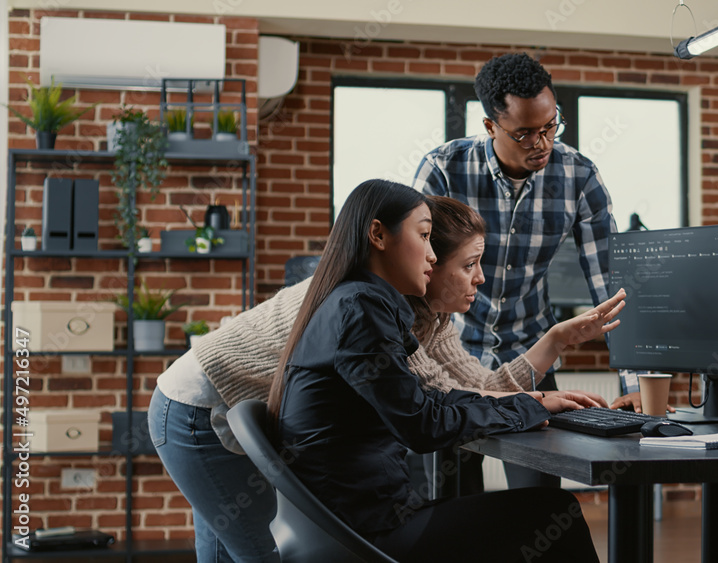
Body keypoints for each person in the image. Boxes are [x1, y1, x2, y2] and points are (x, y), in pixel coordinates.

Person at [149, 185, 623, 562]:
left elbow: (467, 391)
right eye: (467, 263)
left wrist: (549, 354)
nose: (478, 278)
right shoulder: (362, 307)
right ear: (388, 241)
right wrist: (527, 405)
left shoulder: (405, 312)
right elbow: (427, 415)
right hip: (196, 405)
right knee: (253, 555)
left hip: (332, 488)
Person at [268, 179, 601, 562]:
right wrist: (529, 408)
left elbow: (426, 400)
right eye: (424, 236)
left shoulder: (358, 300)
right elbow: (424, 425)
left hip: (353, 520)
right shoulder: (362, 309)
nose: (431, 255)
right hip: (366, 531)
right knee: (555, 512)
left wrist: (530, 401)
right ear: (378, 235)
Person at [413, 52, 617, 488]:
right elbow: (414, 276)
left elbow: (608, 280)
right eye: (525, 134)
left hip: (530, 352)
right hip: (450, 356)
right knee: (449, 504)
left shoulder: (579, 176)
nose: (541, 143)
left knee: (539, 499)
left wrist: (636, 377)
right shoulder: (444, 170)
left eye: (550, 127)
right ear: (490, 126)